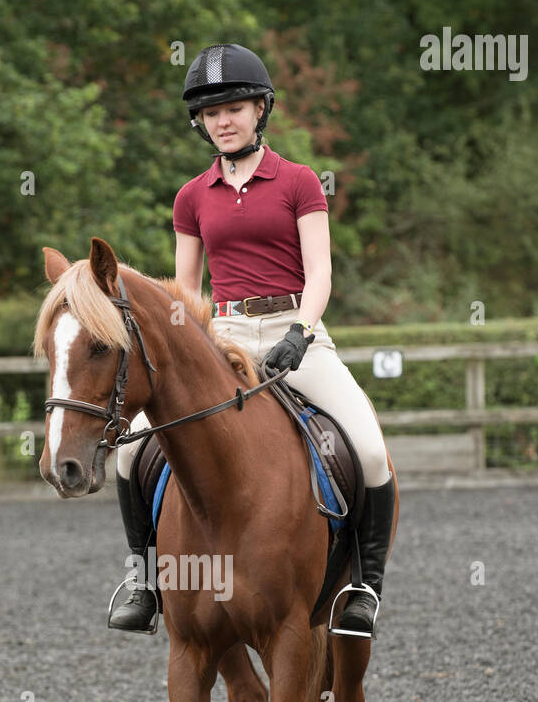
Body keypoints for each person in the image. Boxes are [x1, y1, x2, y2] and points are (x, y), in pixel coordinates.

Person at [109, 42, 395, 638]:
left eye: (234, 107)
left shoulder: (298, 182)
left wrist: (301, 332)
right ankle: (143, 581)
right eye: (212, 113)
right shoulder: (191, 196)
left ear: (261, 109)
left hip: (297, 330)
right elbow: (185, 289)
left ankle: (364, 587)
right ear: (200, 122)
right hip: (225, 335)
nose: (223, 120)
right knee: (132, 448)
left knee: (367, 448)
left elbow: (320, 273)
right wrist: (190, 347)